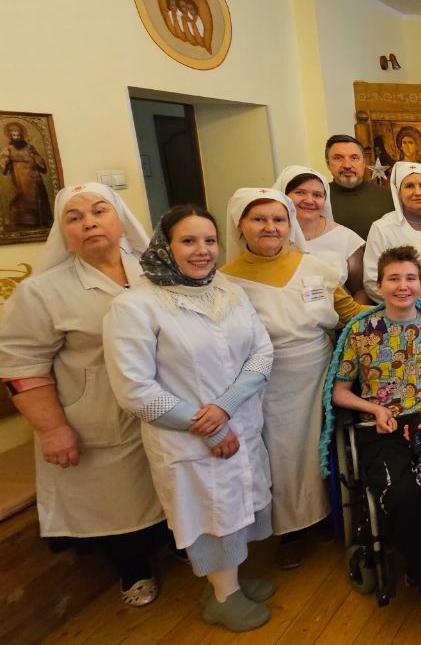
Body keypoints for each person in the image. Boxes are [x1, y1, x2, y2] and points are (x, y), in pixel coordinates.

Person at [104, 205, 276, 632]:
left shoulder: (228, 291)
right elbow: (134, 389)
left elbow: (261, 352)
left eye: (209, 241)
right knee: (210, 514)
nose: (202, 250)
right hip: (186, 438)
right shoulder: (135, 306)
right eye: (188, 241)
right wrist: (210, 428)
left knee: (237, 509)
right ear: (165, 247)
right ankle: (223, 597)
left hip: (239, 423)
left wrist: (226, 407)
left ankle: (228, 582)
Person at [0, 183, 164, 606]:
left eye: (99, 211)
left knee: (167, 480)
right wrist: (52, 429)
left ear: (120, 218)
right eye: (74, 218)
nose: (89, 223)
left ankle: (181, 545)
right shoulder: (42, 292)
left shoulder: (156, 270)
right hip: (97, 413)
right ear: (63, 232)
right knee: (116, 498)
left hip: (164, 405)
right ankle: (132, 568)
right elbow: (22, 365)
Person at [326, 245, 421, 645]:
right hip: (383, 424)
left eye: (410, 278)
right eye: (393, 278)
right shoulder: (360, 329)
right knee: (403, 498)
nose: (403, 286)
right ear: (379, 285)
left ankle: (416, 551)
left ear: (420, 283)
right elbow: (340, 391)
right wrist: (374, 409)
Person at [221, 188, 366, 568]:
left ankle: (328, 518)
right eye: (259, 219)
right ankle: (290, 530)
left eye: (278, 219)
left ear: (290, 225)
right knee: (280, 457)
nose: (270, 227)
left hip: (318, 372)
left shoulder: (314, 266)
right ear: (240, 226)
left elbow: (349, 312)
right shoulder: (224, 282)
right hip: (263, 382)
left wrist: (401, 311)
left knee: (322, 448)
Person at [363, 161, 421, 302]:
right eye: (409, 186)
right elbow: (372, 280)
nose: (418, 192)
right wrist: (408, 306)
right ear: (399, 192)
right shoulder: (382, 228)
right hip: (403, 310)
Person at [273, 165, 368, 302]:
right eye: (300, 192)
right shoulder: (270, 237)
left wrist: (357, 316)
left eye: (317, 195)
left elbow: (360, 290)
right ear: (283, 195)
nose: (309, 200)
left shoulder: (345, 238)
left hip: (339, 314)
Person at [324, 134, 393, 239]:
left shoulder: (389, 197)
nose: (347, 165)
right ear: (328, 163)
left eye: (354, 158)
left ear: (364, 162)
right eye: (338, 158)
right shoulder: (317, 199)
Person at [1, 121, 53, 228]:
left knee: (37, 197)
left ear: (22, 135)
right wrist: (5, 161)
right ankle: (24, 222)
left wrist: (34, 156)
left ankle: (40, 221)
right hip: (19, 177)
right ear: (10, 136)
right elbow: (3, 163)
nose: (17, 137)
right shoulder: (8, 149)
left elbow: (41, 163)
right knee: (21, 199)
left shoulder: (29, 147)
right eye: (14, 135)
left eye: (18, 135)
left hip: (34, 177)